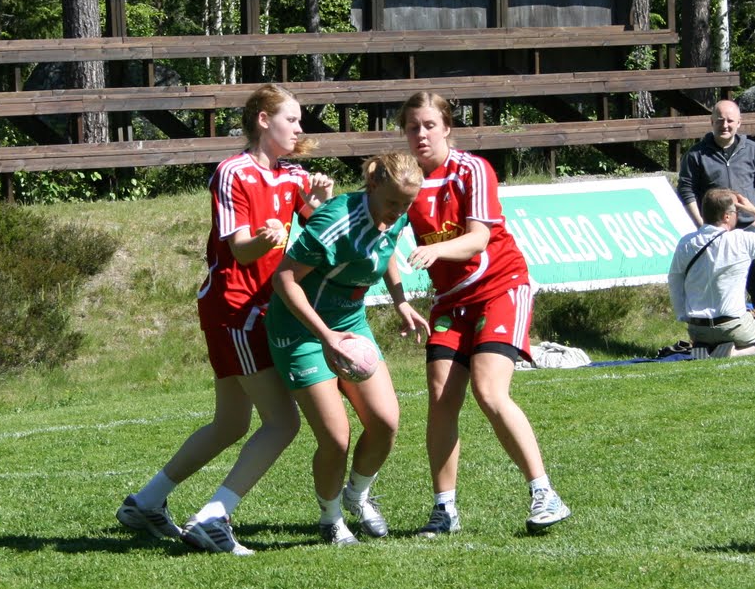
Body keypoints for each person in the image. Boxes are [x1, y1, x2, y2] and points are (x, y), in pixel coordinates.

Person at [117, 85, 332, 556]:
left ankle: (145, 503)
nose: (300, 129)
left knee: (231, 424)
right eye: (292, 120)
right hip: (236, 309)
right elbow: (240, 249)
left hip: (256, 310)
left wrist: (323, 200)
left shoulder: (294, 176)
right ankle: (214, 517)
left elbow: (322, 236)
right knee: (282, 423)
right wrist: (269, 238)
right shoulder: (232, 172)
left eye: (300, 121)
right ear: (262, 120)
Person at [398, 91, 571, 538]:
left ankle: (544, 492)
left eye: (429, 125)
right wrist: (398, 298)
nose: (421, 134)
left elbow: (477, 240)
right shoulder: (403, 180)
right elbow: (375, 239)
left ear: (447, 128)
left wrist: (433, 249)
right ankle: (444, 510)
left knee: (489, 391)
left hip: (501, 288)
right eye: (413, 126)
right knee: (440, 399)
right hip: (451, 301)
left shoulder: (472, 169)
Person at [268, 151, 428, 546]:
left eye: (406, 205)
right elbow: (284, 279)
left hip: (350, 323)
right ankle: (330, 517)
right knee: (336, 436)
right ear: (372, 186)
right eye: (392, 203)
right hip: (302, 327)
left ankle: (357, 496)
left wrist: (400, 300)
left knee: (386, 422)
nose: (398, 212)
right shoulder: (335, 221)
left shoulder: (397, 210)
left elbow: (385, 249)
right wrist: (325, 336)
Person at [676, 99, 755, 307]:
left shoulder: (753, 150)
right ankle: (727, 333)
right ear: (711, 121)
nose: (725, 125)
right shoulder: (696, 154)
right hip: (716, 234)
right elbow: (685, 190)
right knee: (724, 290)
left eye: (730, 120)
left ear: (739, 123)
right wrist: (701, 224)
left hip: (751, 231)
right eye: (720, 120)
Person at [667, 187, 755, 357]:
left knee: (709, 336)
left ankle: (705, 349)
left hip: (697, 328)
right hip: (732, 325)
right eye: (736, 210)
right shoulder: (740, 240)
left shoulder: (685, 243)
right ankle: (731, 353)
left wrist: (683, 315)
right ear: (727, 216)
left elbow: (674, 280)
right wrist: (753, 210)